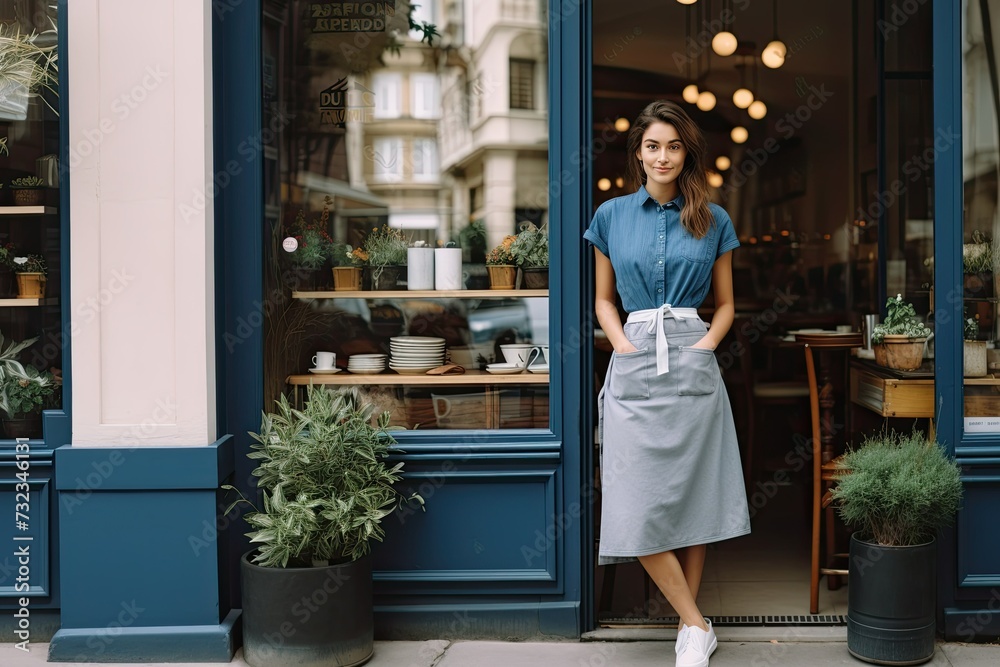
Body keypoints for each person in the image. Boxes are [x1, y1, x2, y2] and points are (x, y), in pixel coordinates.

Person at [584, 100, 750, 667]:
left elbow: (726, 306)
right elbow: (603, 299)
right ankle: (697, 622)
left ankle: (689, 629)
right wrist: (623, 344)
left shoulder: (714, 218)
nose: (663, 156)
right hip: (633, 359)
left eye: (674, 146)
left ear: (687, 154)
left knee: (694, 494)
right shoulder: (610, 216)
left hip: (692, 354)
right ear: (638, 154)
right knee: (635, 502)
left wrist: (704, 345)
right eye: (653, 146)